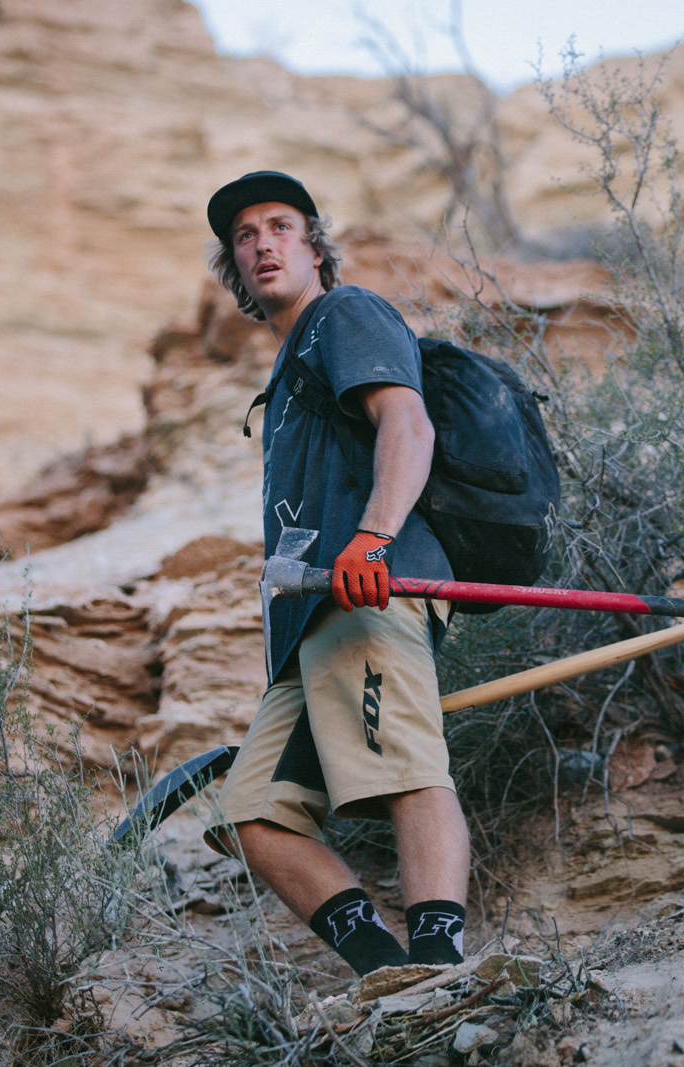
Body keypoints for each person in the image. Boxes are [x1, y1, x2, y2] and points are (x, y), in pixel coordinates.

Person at [202, 171, 471, 979]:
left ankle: (438, 967)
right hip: (308, 623)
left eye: (280, 226)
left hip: (366, 588)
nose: (261, 244)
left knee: (406, 768)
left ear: (315, 246)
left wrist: (375, 538)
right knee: (255, 812)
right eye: (244, 237)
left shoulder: (342, 316)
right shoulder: (288, 367)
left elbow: (407, 420)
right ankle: (388, 971)